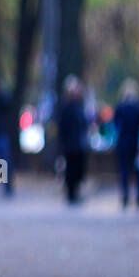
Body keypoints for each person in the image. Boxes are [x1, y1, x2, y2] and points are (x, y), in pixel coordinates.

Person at [112, 78, 139, 209]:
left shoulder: (121, 107)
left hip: (124, 143)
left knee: (125, 171)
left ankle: (126, 196)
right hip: (137, 143)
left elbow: (116, 125)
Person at [56, 74, 90, 205]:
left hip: (78, 143)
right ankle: (71, 193)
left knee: (78, 168)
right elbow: (63, 126)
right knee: (71, 169)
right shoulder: (67, 107)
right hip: (71, 143)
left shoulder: (78, 106)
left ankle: (75, 191)